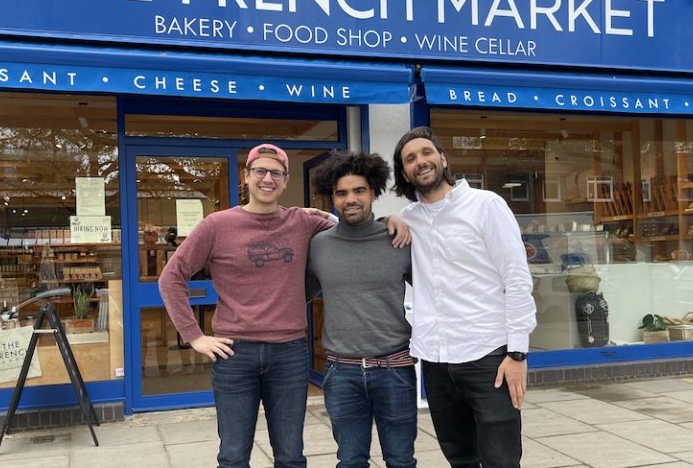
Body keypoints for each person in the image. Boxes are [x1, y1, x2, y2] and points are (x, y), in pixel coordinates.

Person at [159, 144, 407, 468]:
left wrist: (392, 220)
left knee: (290, 456)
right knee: (233, 456)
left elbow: (352, 227)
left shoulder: (302, 222)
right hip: (235, 355)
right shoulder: (216, 225)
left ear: (285, 180)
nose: (267, 178)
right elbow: (171, 277)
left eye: (276, 173)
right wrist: (194, 336)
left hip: (289, 354)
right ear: (246, 177)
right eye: (260, 171)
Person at [392, 127, 537, 468]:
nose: (420, 162)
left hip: (488, 357)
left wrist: (517, 352)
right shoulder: (408, 220)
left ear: (443, 158)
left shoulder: (486, 206)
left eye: (426, 153)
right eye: (410, 159)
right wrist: (323, 217)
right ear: (404, 172)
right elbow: (363, 230)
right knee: (460, 458)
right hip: (436, 361)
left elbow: (516, 279)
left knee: (501, 460)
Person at [305, 152, 415, 468]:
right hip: (342, 373)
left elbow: (436, 293)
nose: (350, 199)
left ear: (374, 192)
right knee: (350, 461)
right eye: (341, 193)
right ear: (332, 197)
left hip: (394, 368)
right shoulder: (319, 245)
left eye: (359, 191)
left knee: (401, 461)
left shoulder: (399, 239)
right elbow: (295, 295)